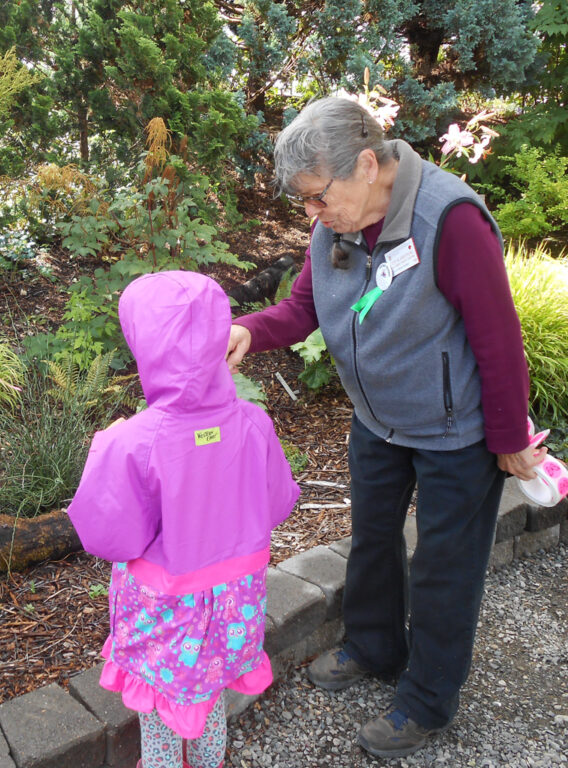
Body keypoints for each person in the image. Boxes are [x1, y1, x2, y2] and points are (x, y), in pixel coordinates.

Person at [226, 96, 544, 759]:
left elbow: (497, 337)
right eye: (305, 204)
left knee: (444, 567)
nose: (312, 217)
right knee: (371, 539)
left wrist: (509, 438)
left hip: (454, 429)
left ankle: (428, 699)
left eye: (317, 198)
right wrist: (245, 332)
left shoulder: (448, 220)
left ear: (366, 164)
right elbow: (300, 309)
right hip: (378, 419)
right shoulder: (336, 224)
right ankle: (373, 647)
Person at [68, 270, 300, 768]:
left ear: (144, 343)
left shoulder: (134, 441)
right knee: (210, 695)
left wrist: (102, 449)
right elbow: (278, 503)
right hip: (234, 607)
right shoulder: (253, 423)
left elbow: (109, 535)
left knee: (159, 711)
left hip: (165, 612)